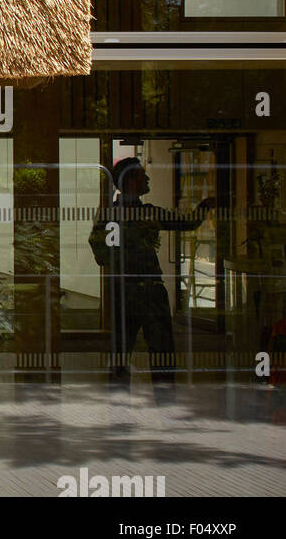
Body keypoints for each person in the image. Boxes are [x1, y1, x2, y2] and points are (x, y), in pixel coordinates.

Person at [88, 157, 214, 404]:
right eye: (142, 175)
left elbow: (99, 252)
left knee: (121, 351)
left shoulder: (107, 215)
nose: (147, 179)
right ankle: (165, 405)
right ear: (132, 181)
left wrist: (119, 261)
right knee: (161, 351)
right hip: (150, 292)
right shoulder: (148, 212)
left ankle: (119, 405)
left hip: (123, 291)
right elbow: (187, 223)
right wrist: (206, 206)